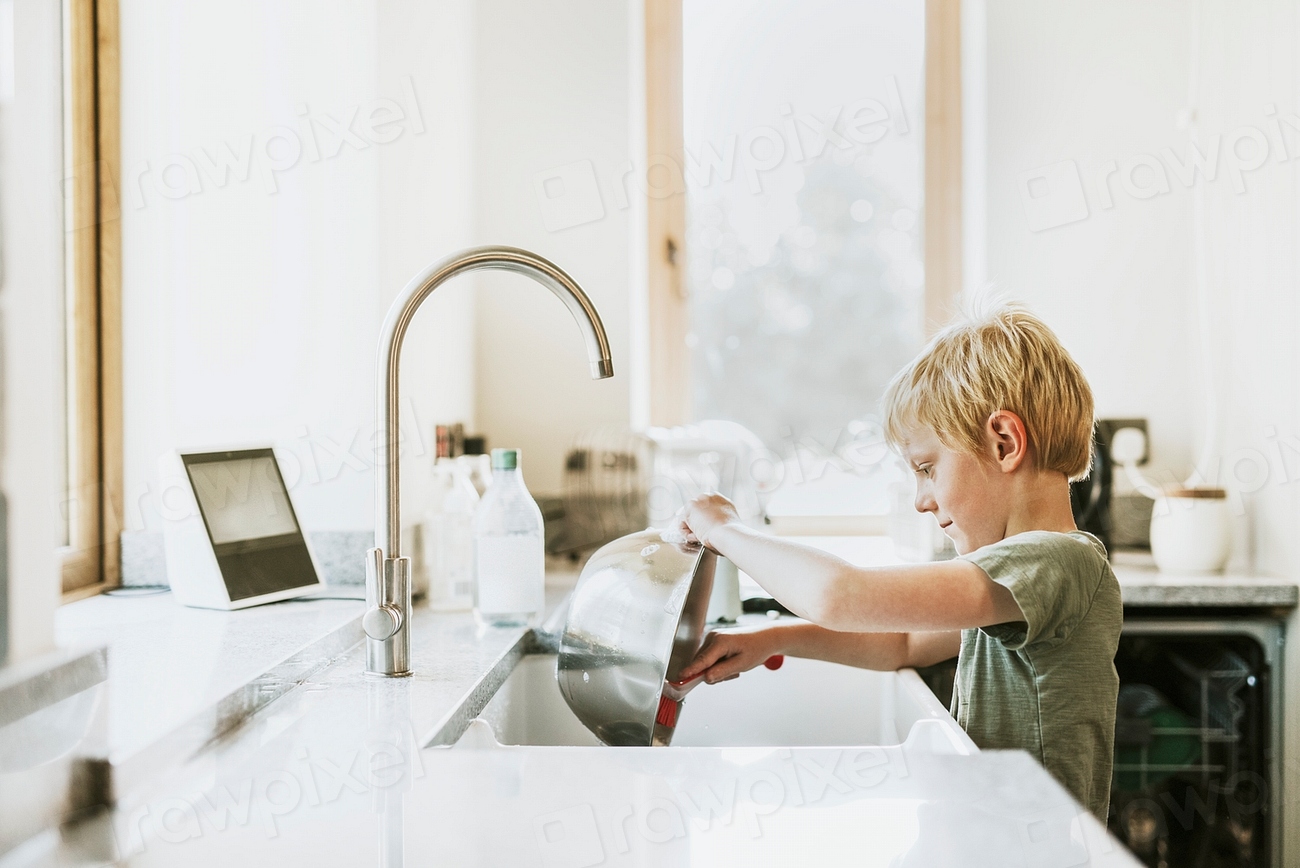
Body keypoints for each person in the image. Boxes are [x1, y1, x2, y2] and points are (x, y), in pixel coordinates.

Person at [676, 300, 1122, 820]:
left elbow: (839, 596)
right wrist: (775, 639)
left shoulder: (1054, 563)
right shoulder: (1018, 580)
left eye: (927, 467)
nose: (921, 499)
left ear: (1004, 443)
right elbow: (905, 641)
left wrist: (724, 530)